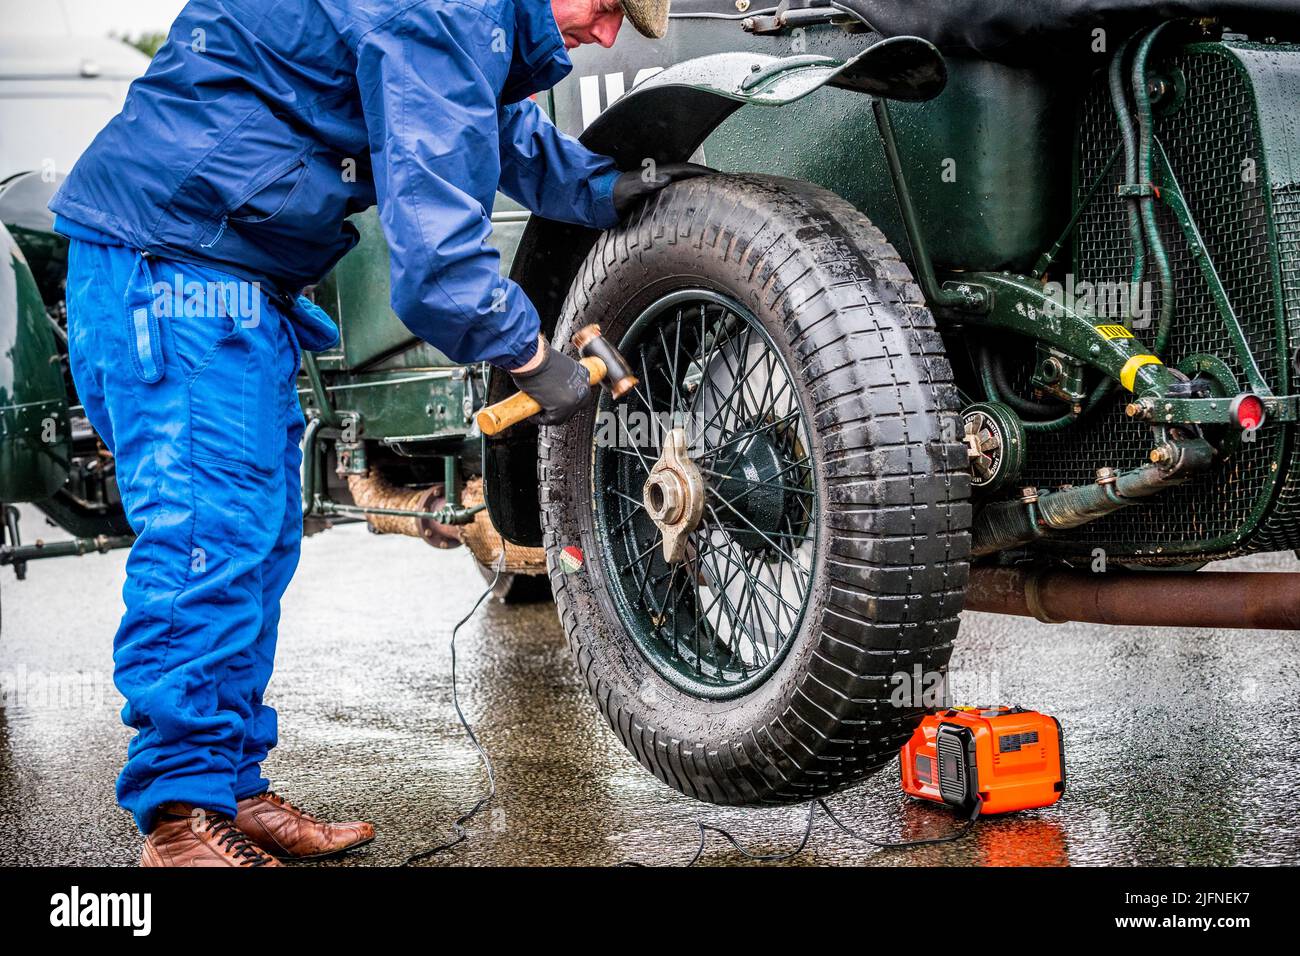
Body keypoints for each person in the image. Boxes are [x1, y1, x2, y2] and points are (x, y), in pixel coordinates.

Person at [49, 0, 704, 867]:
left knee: (257, 538)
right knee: (210, 540)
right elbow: (436, 265)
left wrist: (599, 189)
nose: (607, 35)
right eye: (609, 5)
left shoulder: (460, 25)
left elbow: (489, 130)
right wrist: (529, 352)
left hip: (224, 273)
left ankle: (231, 790)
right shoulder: (450, 10)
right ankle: (179, 820)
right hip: (173, 269)